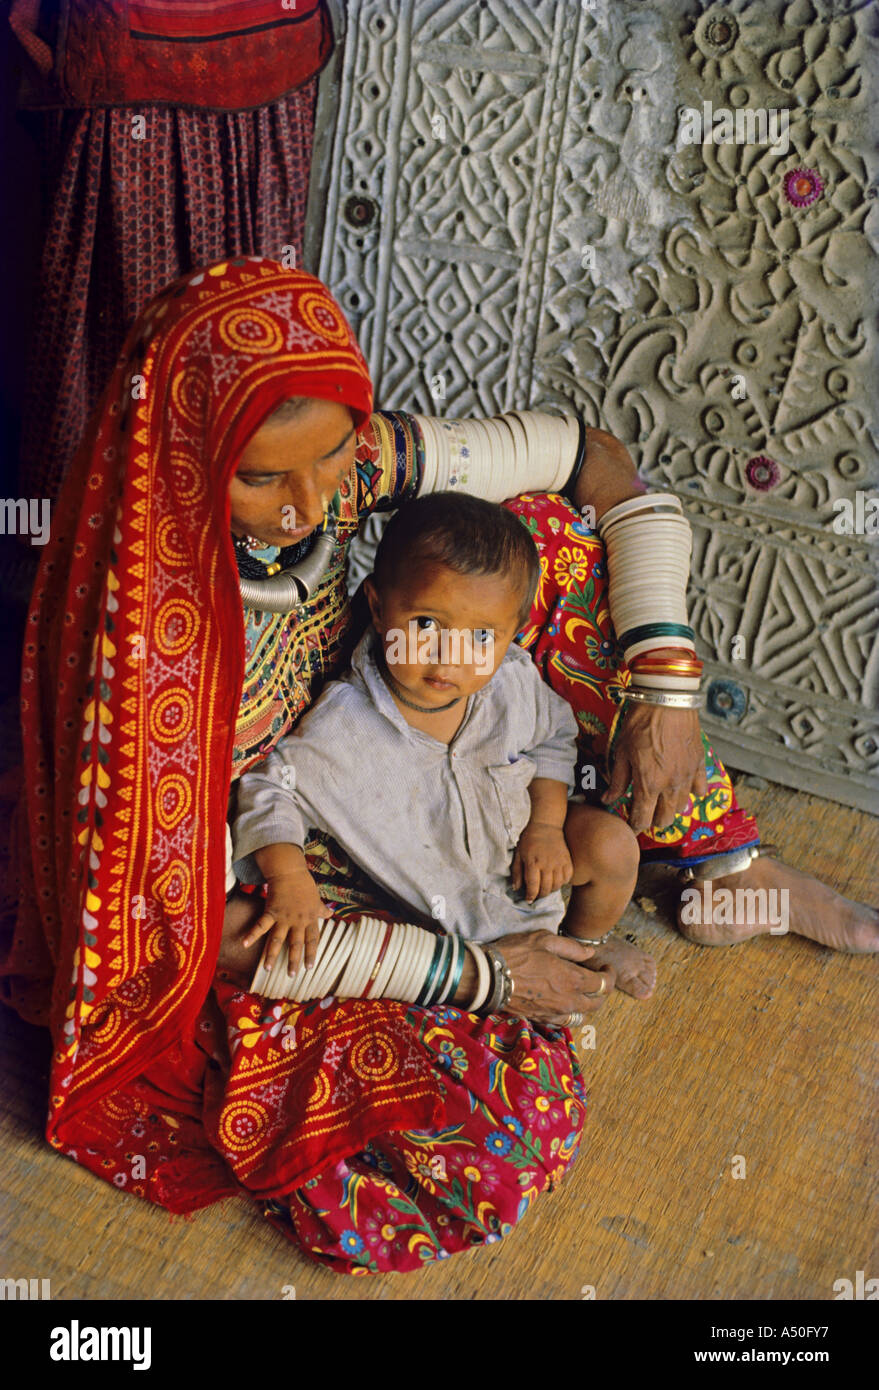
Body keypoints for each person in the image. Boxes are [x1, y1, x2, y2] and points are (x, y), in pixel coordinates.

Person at [1, 257, 874, 1278]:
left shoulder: (346, 468)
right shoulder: (153, 648)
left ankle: (723, 857)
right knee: (487, 1148)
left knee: (540, 540)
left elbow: (599, 461)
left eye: (329, 457)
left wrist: (668, 692)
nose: (304, 506)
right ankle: (532, 937)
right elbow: (204, 941)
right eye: (261, 477)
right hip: (296, 836)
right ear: (187, 457)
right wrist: (483, 977)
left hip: (421, 702)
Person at [229, 492, 640, 987]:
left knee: (612, 846)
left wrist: (548, 826)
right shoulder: (345, 726)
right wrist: (288, 879)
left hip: (528, 872)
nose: (451, 657)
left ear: (513, 633)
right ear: (378, 609)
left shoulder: (511, 682)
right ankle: (532, 977)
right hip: (446, 927)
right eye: (426, 624)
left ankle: (585, 944)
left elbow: (553, 736)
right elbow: (272, 788)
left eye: (483, 637)